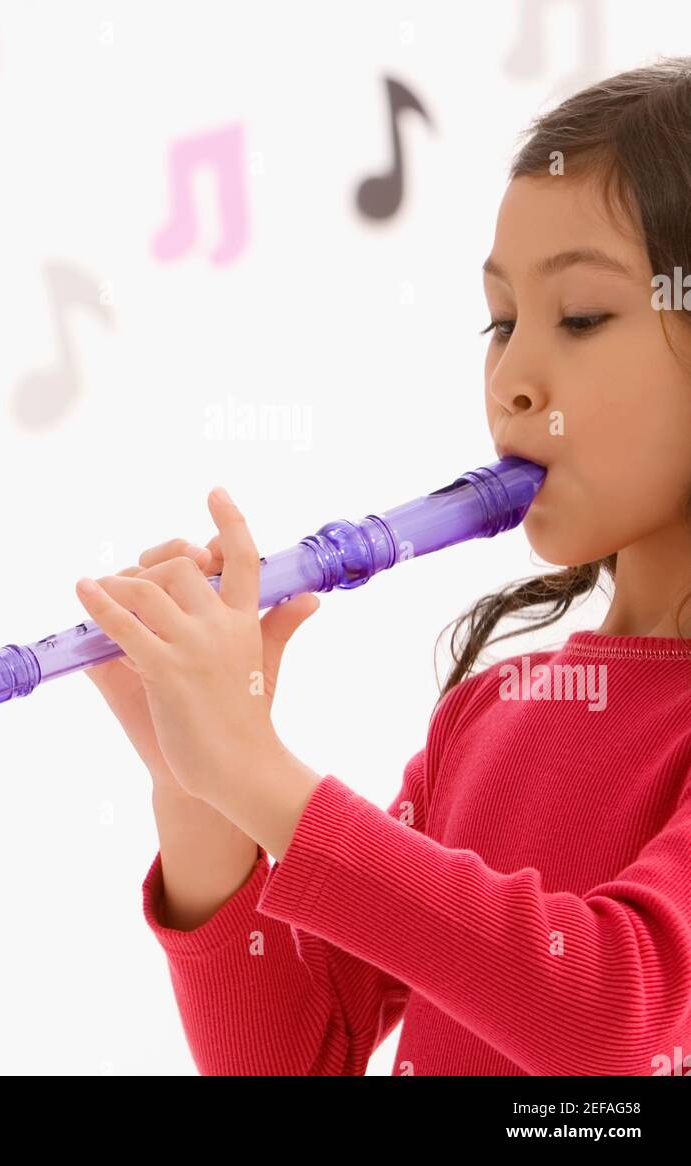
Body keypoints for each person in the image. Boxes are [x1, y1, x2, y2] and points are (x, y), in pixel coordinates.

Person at [75, 56, 691, 1076]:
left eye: (578, 315)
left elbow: (611, 1015)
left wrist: (258, 774)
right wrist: (200, 797)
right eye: (499, 322)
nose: (512, 378)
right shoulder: (484, 716)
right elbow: (291, 1060)